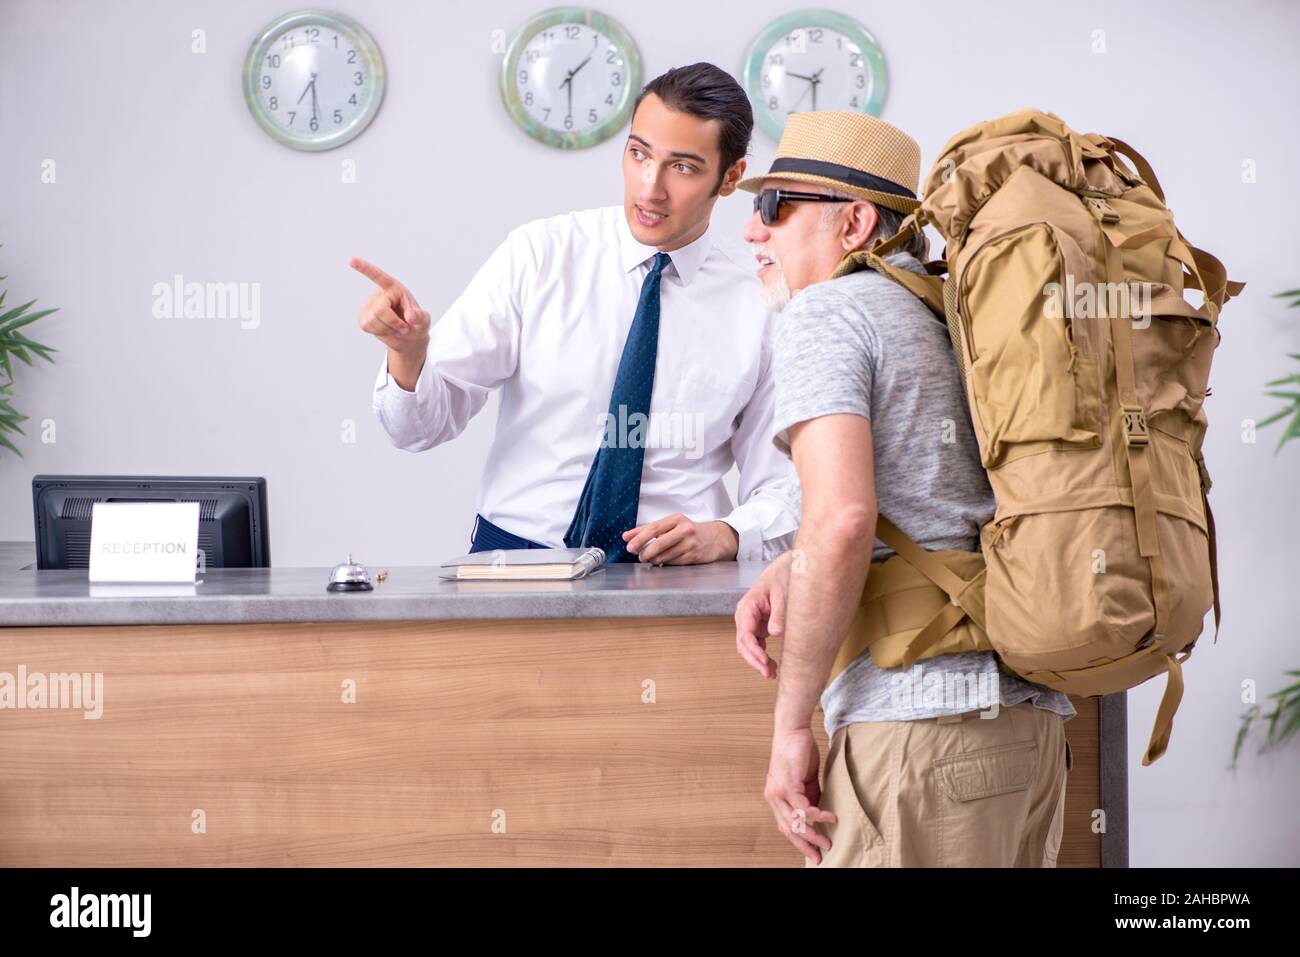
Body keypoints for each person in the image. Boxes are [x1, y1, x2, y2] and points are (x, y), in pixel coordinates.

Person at [733, 111, 1077, 866]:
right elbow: (934, 489)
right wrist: (795, 557)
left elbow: (846, 517)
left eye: (773, 206)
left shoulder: (826, 311)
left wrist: (792, 725)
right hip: (1031, 728)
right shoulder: (959, 315)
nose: (754, 232)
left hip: (918, 734)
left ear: (853, 222)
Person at [353, 63, 798, 565]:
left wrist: (728, 534)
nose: (650, 188)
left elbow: (784, 488)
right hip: (515, 561)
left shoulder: (761, 303)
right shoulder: (540, 255)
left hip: (675, 575)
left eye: (683, 167)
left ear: (731, 177)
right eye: (638, 154)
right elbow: (416, 430)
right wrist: (408, 355)